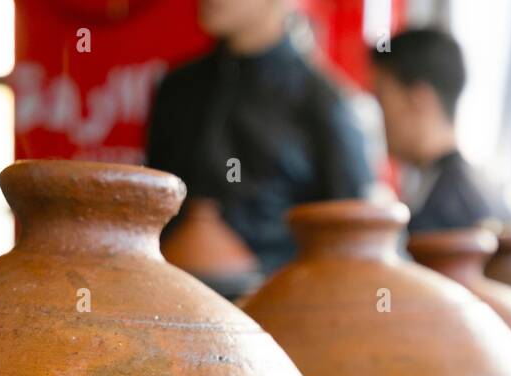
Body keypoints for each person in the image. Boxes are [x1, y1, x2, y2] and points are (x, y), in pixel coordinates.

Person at [146, 0, 372, 270]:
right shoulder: (177, 88)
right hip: (171, 292)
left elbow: (353, 240)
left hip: (275, 301)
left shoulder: (324, 104)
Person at [369, 28, 503, 233]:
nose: (377, 115)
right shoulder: (477, 189)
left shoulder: (441, 213)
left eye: (381, 99)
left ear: (418, 99)